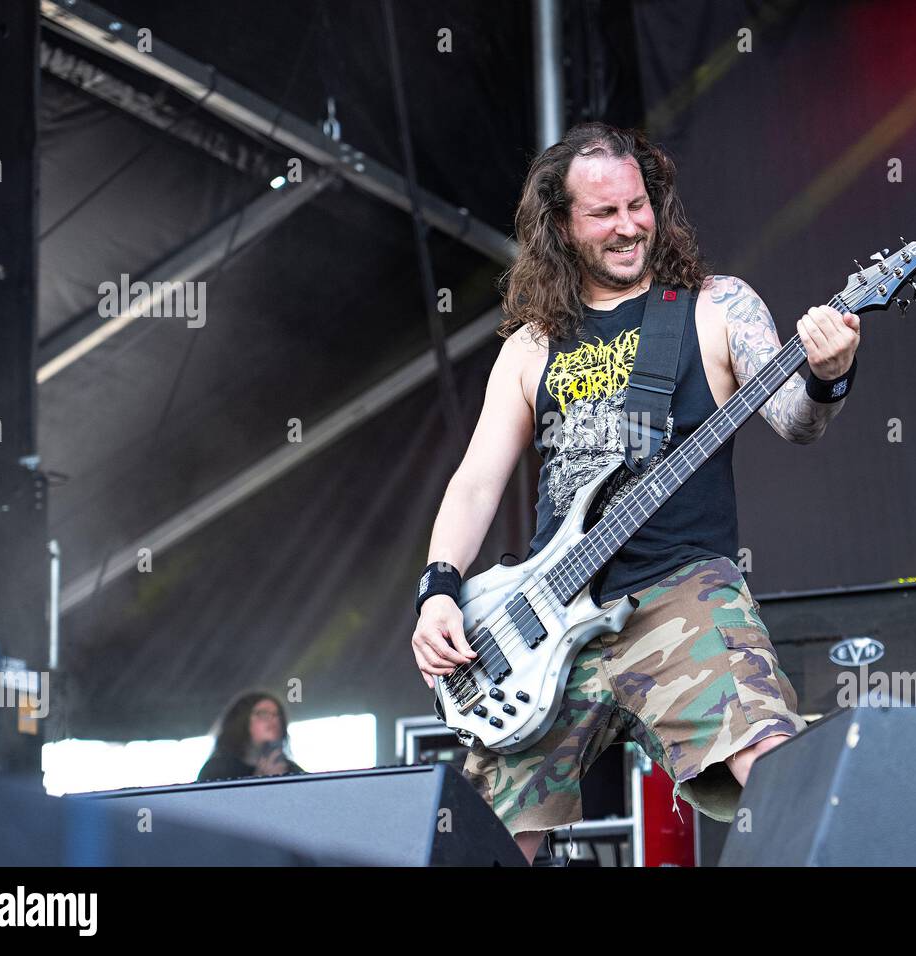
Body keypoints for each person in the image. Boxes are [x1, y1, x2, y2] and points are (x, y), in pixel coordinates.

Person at [409, 121, 860, 864]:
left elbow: (795, 421)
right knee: (482, 843)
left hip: (680, 589)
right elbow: (476, 482)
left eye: (638, 205)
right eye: (604, 214)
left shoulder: (717, 306)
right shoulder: (531, 345)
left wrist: (828, 373)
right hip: (543, 618)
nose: (628, 227)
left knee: (775, 767)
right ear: (561, 224)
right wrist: (437, 591)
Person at [196, 691, 304, 782]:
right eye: (264, 714)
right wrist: (259, 781)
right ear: (242, 721)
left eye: (278, 715)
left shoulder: (293, 771)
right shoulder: (217, 770)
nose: (275, 721)